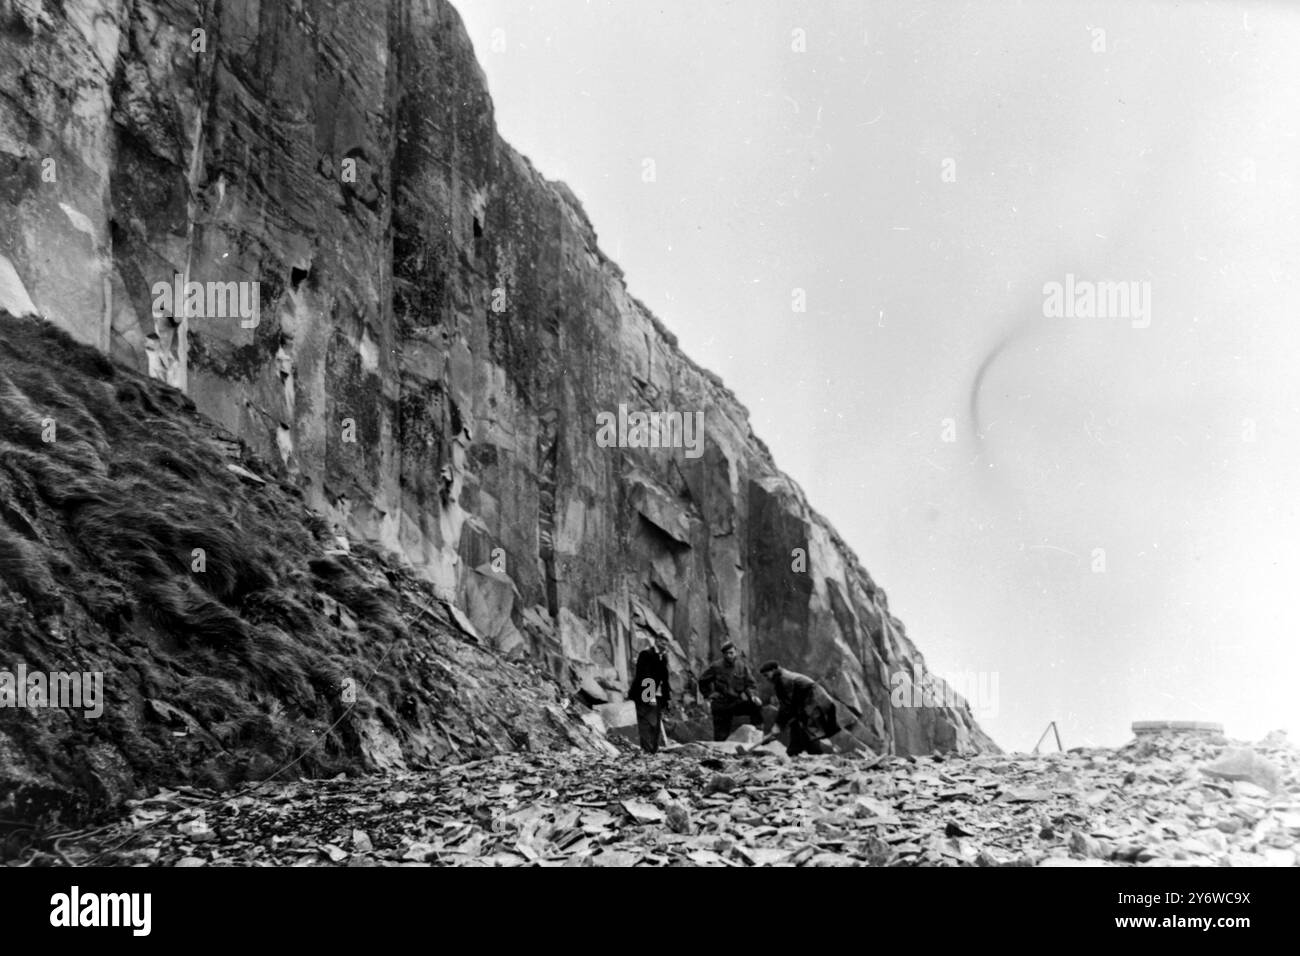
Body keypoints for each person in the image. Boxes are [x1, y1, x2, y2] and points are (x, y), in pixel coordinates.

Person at [758, 660, 840, 756]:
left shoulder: (784, 680)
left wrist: (778, 725)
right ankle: (795, 752)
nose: (766, 678)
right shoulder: (781, 679)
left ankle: (808, 753)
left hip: (815, 701)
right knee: (798, 726)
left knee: (808, 729)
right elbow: (789, 705)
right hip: (809, 703)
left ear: (774, 670)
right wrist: (779, 726)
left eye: (766, 675)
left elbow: (786, 706)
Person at [698, 641, 763, 741]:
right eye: (726, 653)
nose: (729, 656)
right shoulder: (716, 666)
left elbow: (750, 684)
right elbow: (702, 681)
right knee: (721, 737)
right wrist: (709, 694)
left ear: (735, 652)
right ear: (723, 654)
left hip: (736, 702)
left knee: (755, 706)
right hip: (721, 704)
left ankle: (758, 734)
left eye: (731, 653)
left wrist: (753, 696)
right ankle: (720, 752)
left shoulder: (741, 666)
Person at [631, 633, 672, 753]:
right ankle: (648, 751)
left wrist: (667, 698)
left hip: (657, 695)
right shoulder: (646, 654)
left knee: (656, 724)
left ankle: (653, 750)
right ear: (656, 641)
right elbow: (644, 675)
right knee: (646, 723)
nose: (664, 644)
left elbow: (665, 679)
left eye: (666, 642)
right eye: (661, 641)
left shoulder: (663, 657)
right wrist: (649, 697)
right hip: (644, 694)